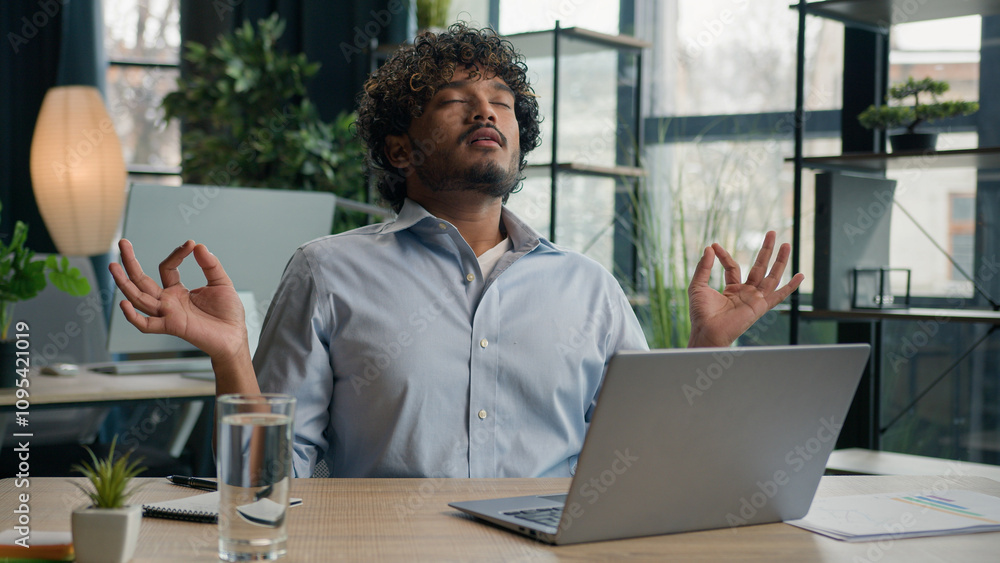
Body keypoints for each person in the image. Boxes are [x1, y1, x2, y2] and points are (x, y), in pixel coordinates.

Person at [109, 23, 803, 479]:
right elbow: (266, 487)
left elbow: (648, 472)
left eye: (502, 100)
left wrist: (706, 349)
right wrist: (231, 354)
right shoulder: (328, 272)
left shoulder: (590, 287)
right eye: (455, 99)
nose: (486, 111)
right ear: (399, 148)